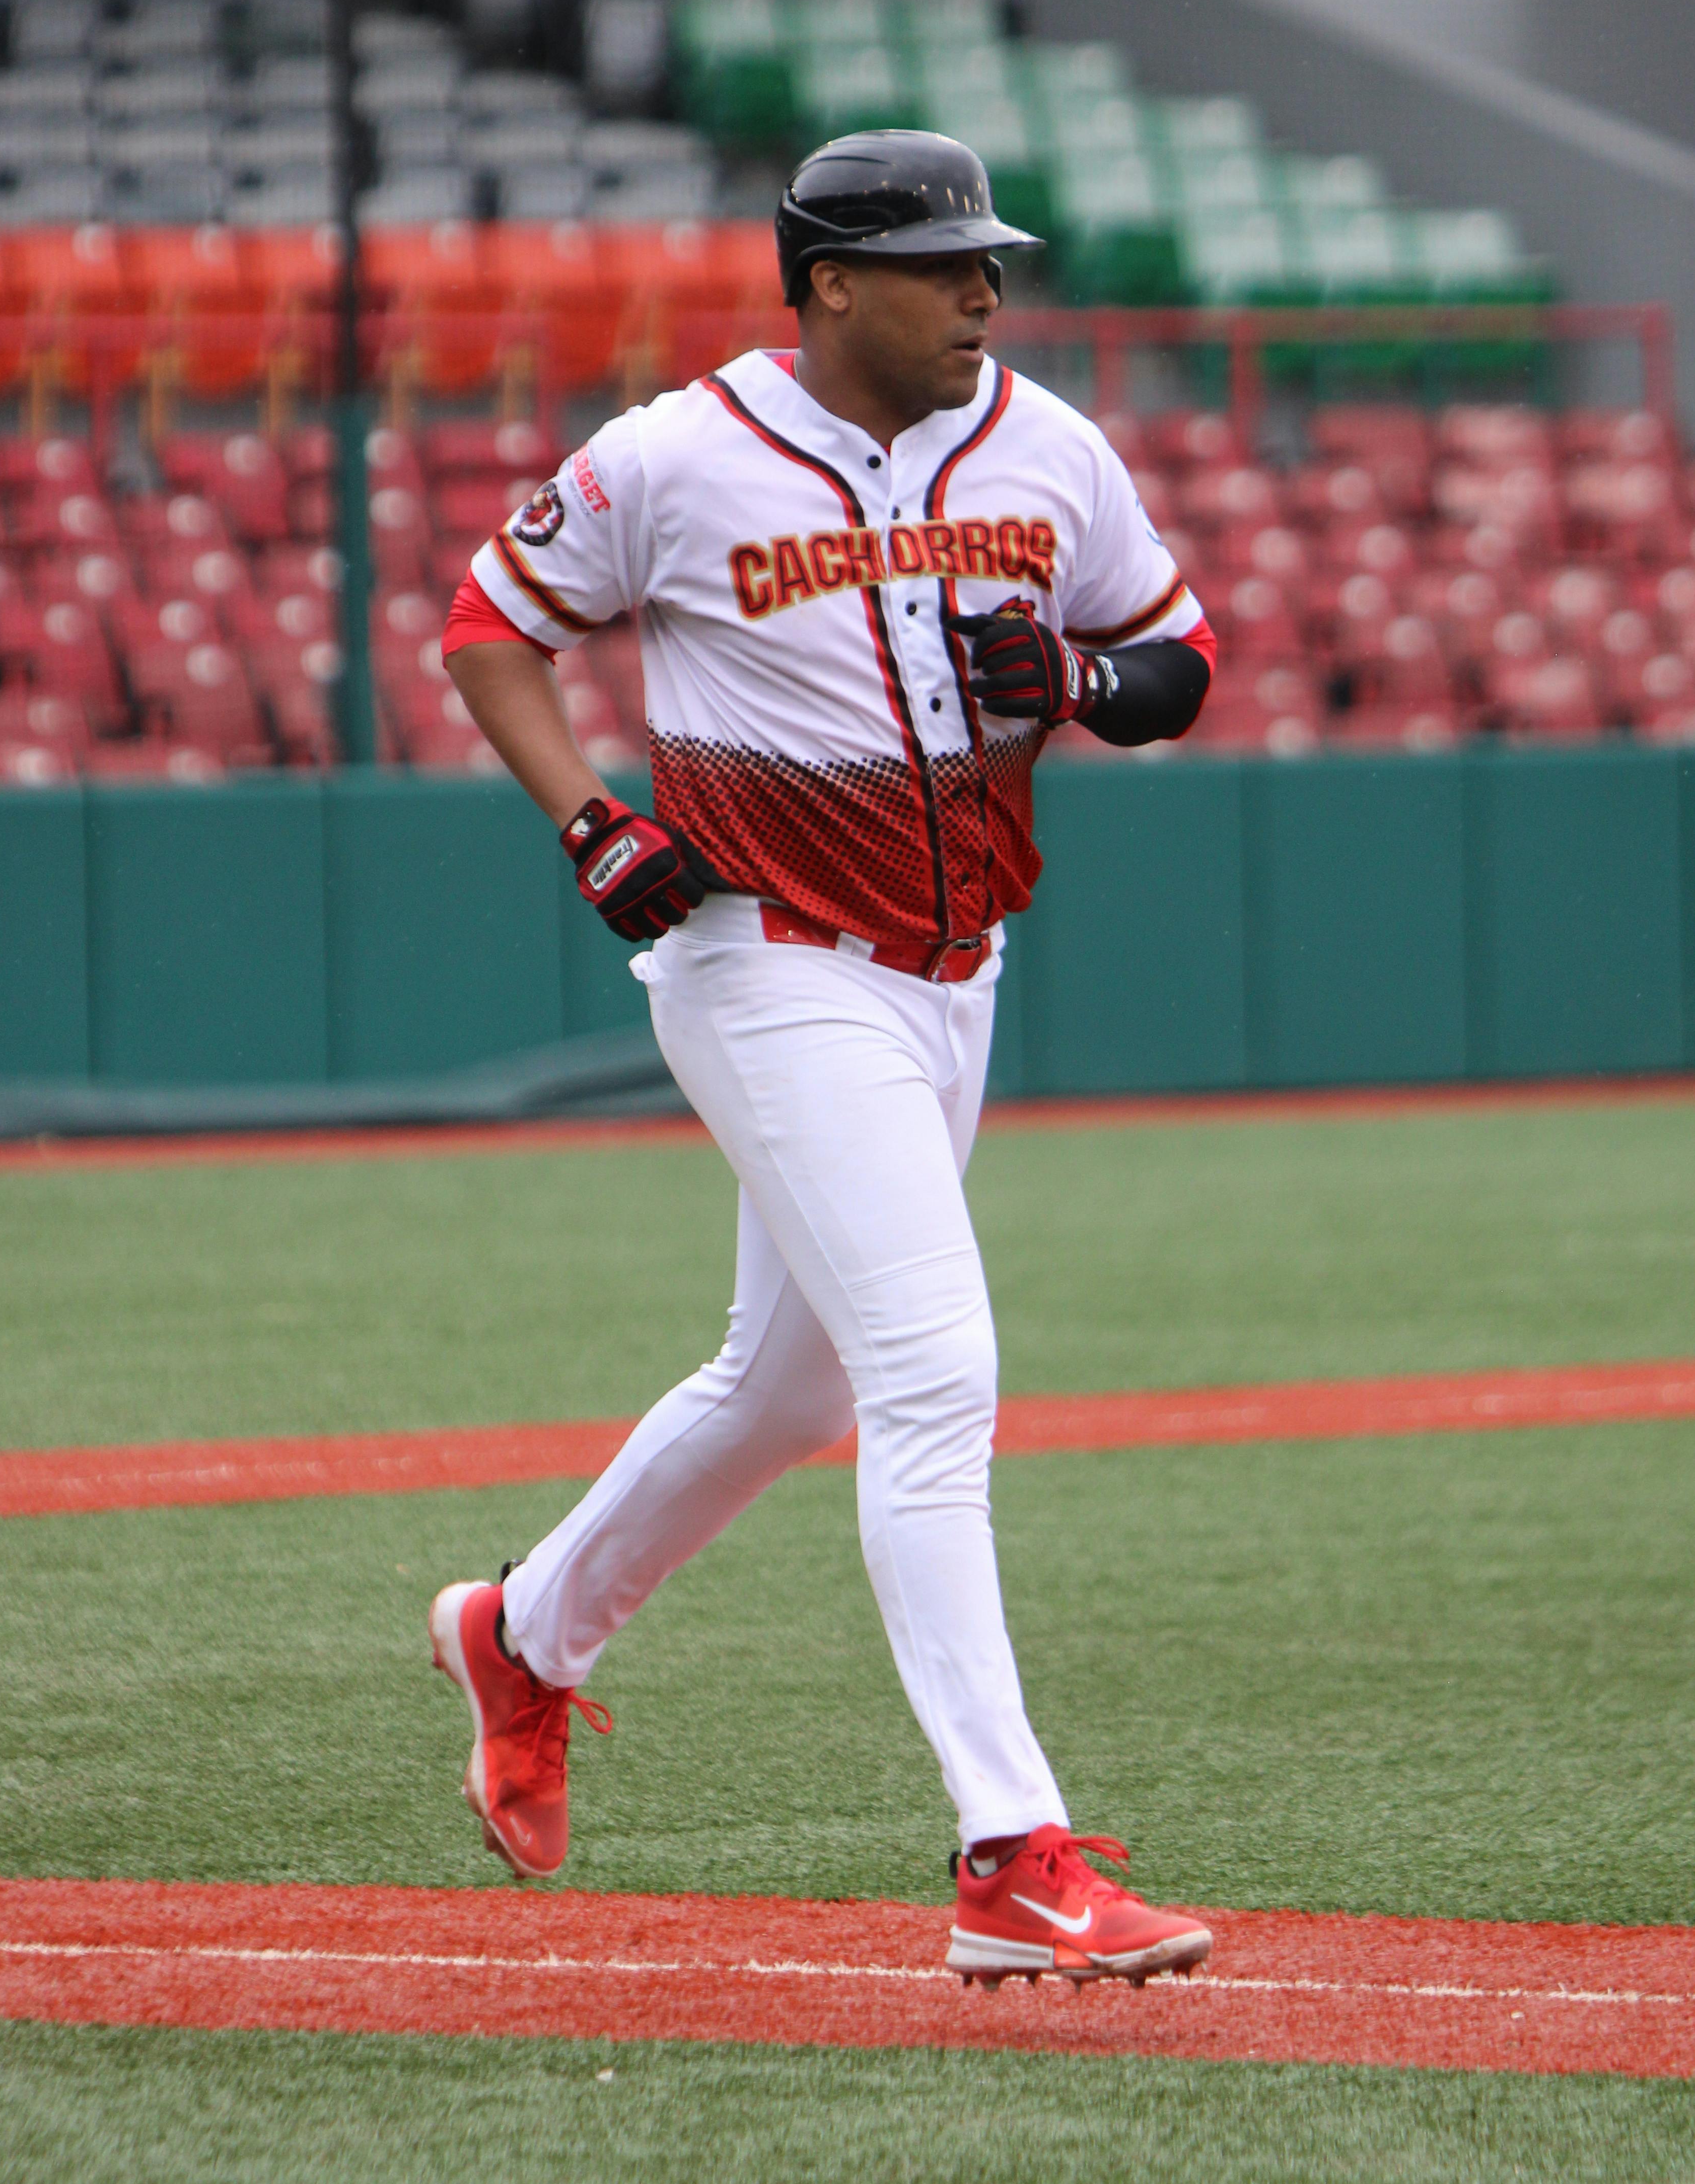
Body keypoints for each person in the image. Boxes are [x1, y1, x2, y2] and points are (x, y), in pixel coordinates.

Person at [431, 129, 1217, 1986]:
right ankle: (1010, 1853)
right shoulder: (674, 455)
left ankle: (525, 1638)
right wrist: (586, 822)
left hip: (956, 971)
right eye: (946, 265)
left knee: (788, 1391)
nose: (985, 295)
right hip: (761, 956)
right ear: (829, 283)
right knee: (937, 1373)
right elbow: (490, 629)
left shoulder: (1045, 444)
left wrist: (1088, 690)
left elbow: (1178, 658)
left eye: (990, 263)